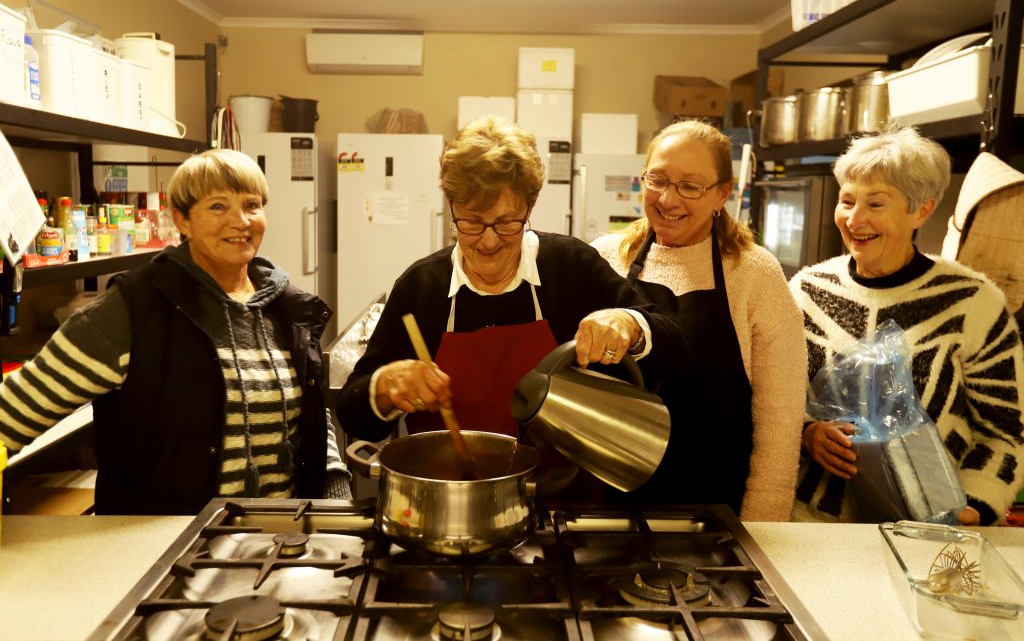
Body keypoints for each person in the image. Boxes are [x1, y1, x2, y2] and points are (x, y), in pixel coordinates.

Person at [0, 148, 350, 514]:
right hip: (169, 553)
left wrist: (336, 494)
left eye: (251, 205)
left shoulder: (286, 308)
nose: (240, 220)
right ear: (182, 221)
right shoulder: (135, 309)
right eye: (217, 207)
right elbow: (16, 409)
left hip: (277, 544)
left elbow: (308, 418)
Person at [337, 115, 686, 455]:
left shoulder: (570, 267)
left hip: (560, 500)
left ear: (530, 204)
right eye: (472, 222)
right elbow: (354, 416)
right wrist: (383, 388)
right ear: (451, 205)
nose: (488, 242)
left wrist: (630, 325)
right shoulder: (422, 287)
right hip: (453, 497)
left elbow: (674, 346)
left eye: (506, 223)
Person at [789, 127, 1024, 526]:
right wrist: (808, 434)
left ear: (922, 210)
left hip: (931, 530)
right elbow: (773, 403)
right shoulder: (807, 290)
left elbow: (1006, 432)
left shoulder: (972, 302)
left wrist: (972, 506)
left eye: (876, 204)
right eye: (847, 200)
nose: (855, 219)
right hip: (816, 525)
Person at [590, 119, 807, 521]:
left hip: (715, 523)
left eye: (690, 187)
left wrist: (760, 535)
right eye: (657, 180)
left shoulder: (755, 275)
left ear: (723, 193)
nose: (668, 200)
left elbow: (779, 425)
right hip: (606, 515)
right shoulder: (604, 259)